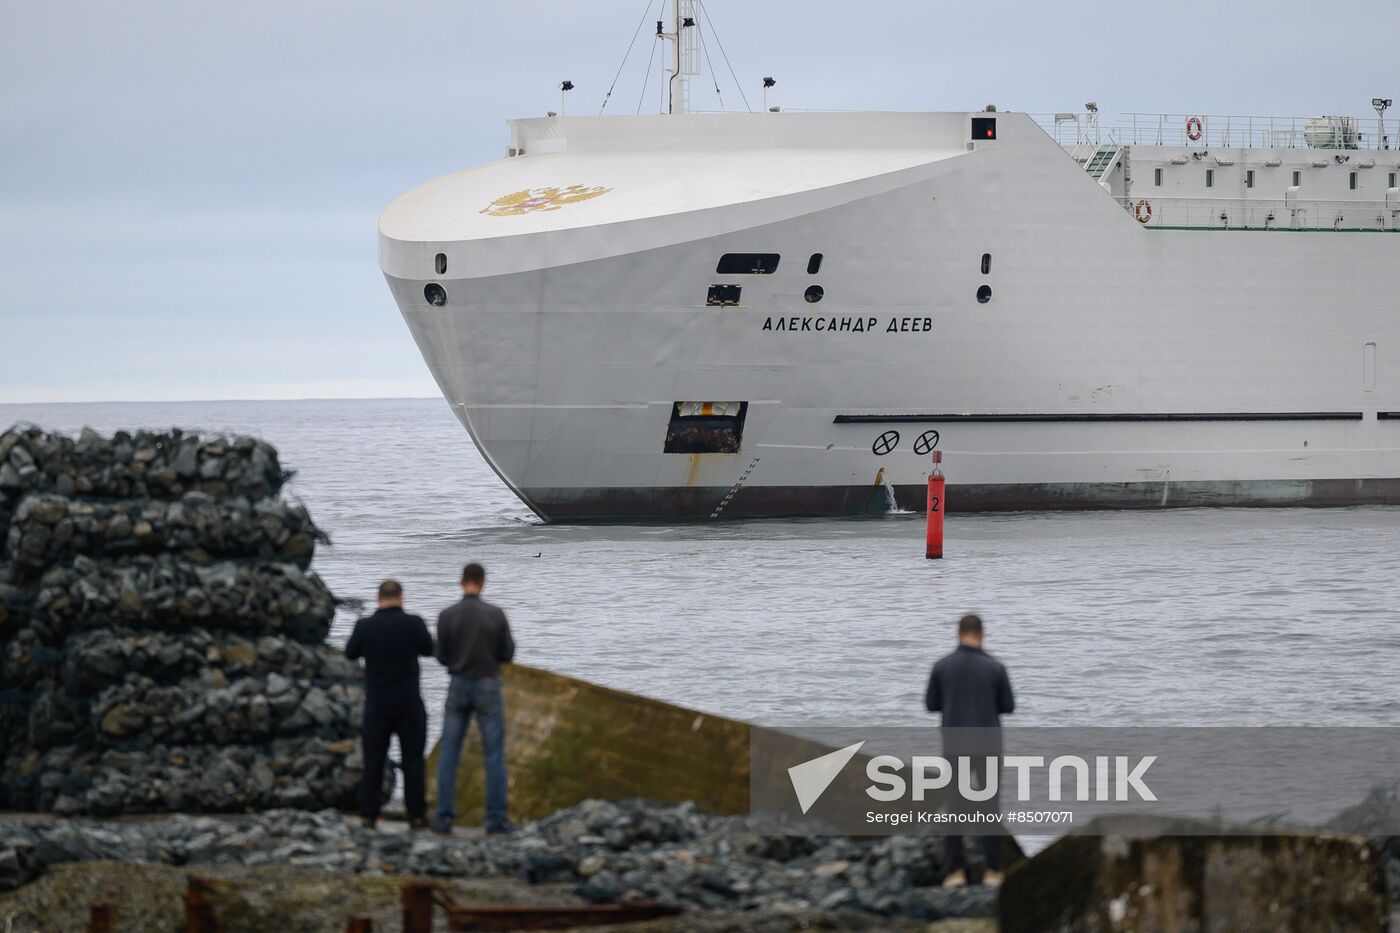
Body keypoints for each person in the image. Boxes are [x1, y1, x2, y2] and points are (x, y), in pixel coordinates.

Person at [924, 613, 1015, 888]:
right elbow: (1008, 706)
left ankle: (955, 872)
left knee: (956, 806)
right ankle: (993, 871)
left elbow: (931, 704)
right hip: (988, 745)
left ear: (958, 634)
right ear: (982, 635)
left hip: (955, 745)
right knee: (990, 807)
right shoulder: (995, 667)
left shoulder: (942, 666)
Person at [433, 562, 516, 835]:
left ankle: (443, 817)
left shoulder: (447, 615)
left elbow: (440, 655)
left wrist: (456, 663)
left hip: (457, 684)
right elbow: (508, 653)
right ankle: (496, 819)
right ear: (483, 582)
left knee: (449, 752)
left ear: (461, 582)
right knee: (493, 754)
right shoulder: (495, 614)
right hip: (488, 684)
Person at [344, 579, 434, 830]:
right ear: (401, 597)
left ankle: (368, 814)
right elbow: (429, 649)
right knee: (413, 760)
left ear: (378, 598)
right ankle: (416, 814)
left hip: (377, 703)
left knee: (374, 759)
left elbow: (350, 653)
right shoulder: (413, 623)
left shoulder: (365, 626)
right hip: (408, 703)